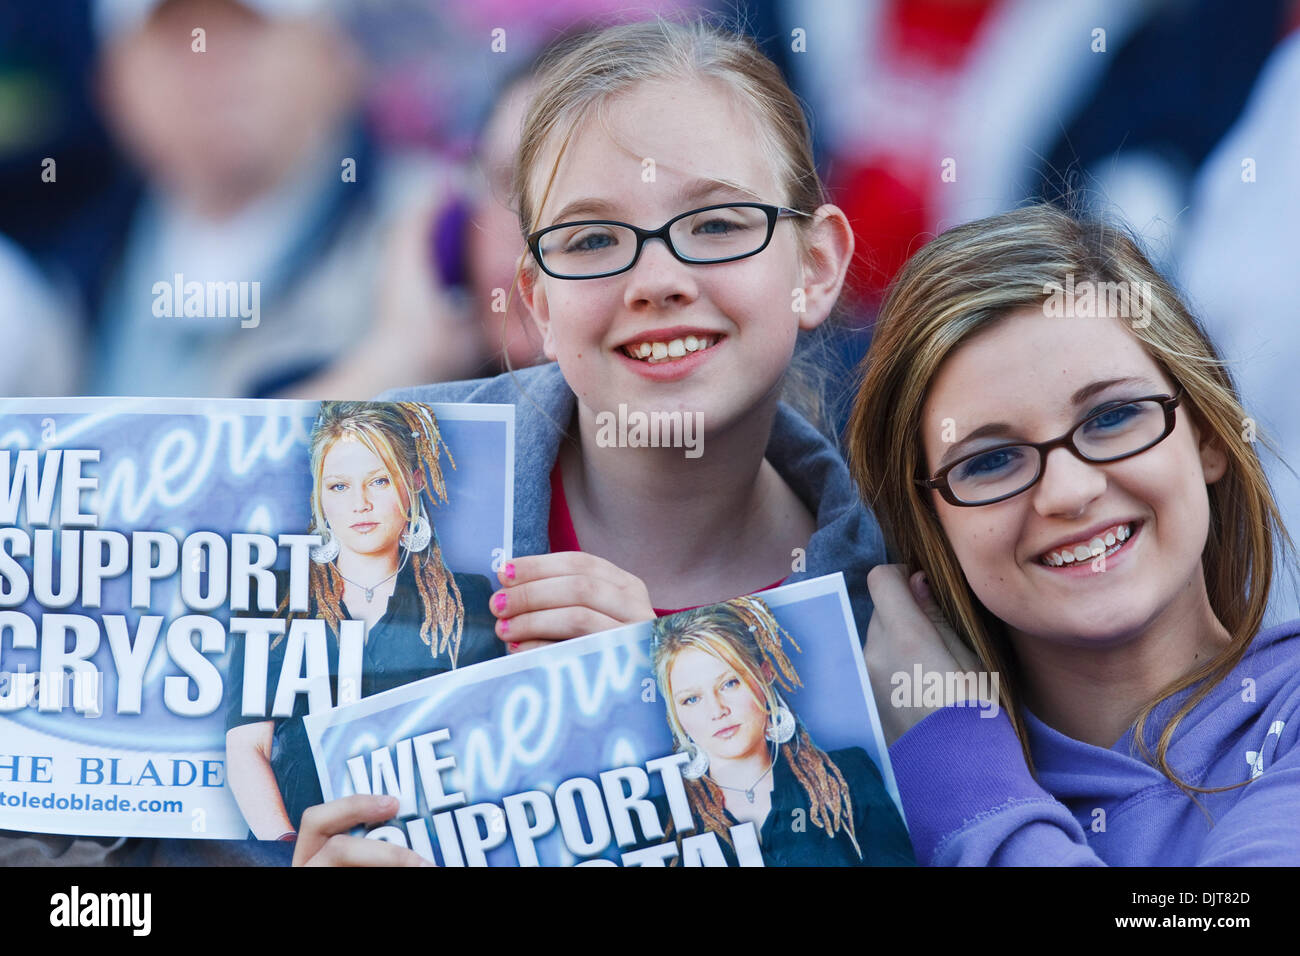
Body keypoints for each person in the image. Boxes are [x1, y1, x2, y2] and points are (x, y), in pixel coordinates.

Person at [291, 17, 885, 866]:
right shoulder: (386, 480)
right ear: (536, 300)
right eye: (594, 241)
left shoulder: (893, 611)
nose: (657, 282)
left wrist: (660, 739)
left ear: (817, 266)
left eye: (718, 223)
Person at [848, 202, 1300, 865]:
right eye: (990, 460)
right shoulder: (852, 796)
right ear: (933, 525)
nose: (1069, 491)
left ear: (1207, 432)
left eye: (1113, 416)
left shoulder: (940, 770)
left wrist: (961, 776)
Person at [224, 401, 500, 839]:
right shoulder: (275, 596)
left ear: (414, 483)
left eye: (380, 480)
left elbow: (488, 741)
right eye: (338, 487)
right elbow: (247, 746)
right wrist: (288, 850)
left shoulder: (466, 599)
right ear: (319, 496)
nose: (361, 504)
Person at [648, 595, 915, 866]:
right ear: (676, 714)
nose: (717, 711)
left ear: (764, 675)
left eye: (730, 683)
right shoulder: (658, 823)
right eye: (691, 699)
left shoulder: (847, 774)